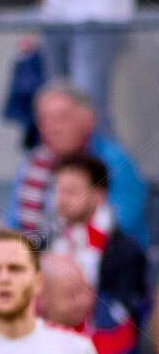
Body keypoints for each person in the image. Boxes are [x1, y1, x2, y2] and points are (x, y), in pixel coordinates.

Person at [8, 82, 148, 247]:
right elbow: (14, 224)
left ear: (88, 120)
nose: (53, 128)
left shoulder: (114, 161)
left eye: (62, 118)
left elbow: (124, 223)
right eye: (44, 119)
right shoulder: (32, 162)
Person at [48, 153, 149, 324]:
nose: (61, 200)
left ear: (98, 195)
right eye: (58, 190)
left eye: (71, 192)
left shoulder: (125, 250)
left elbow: (125, 313)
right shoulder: (48, 242)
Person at [37, 0, 135, 127]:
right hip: (55, 15)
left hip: (101, 14)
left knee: (88, 111)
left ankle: (100, 153)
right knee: (54, 110)